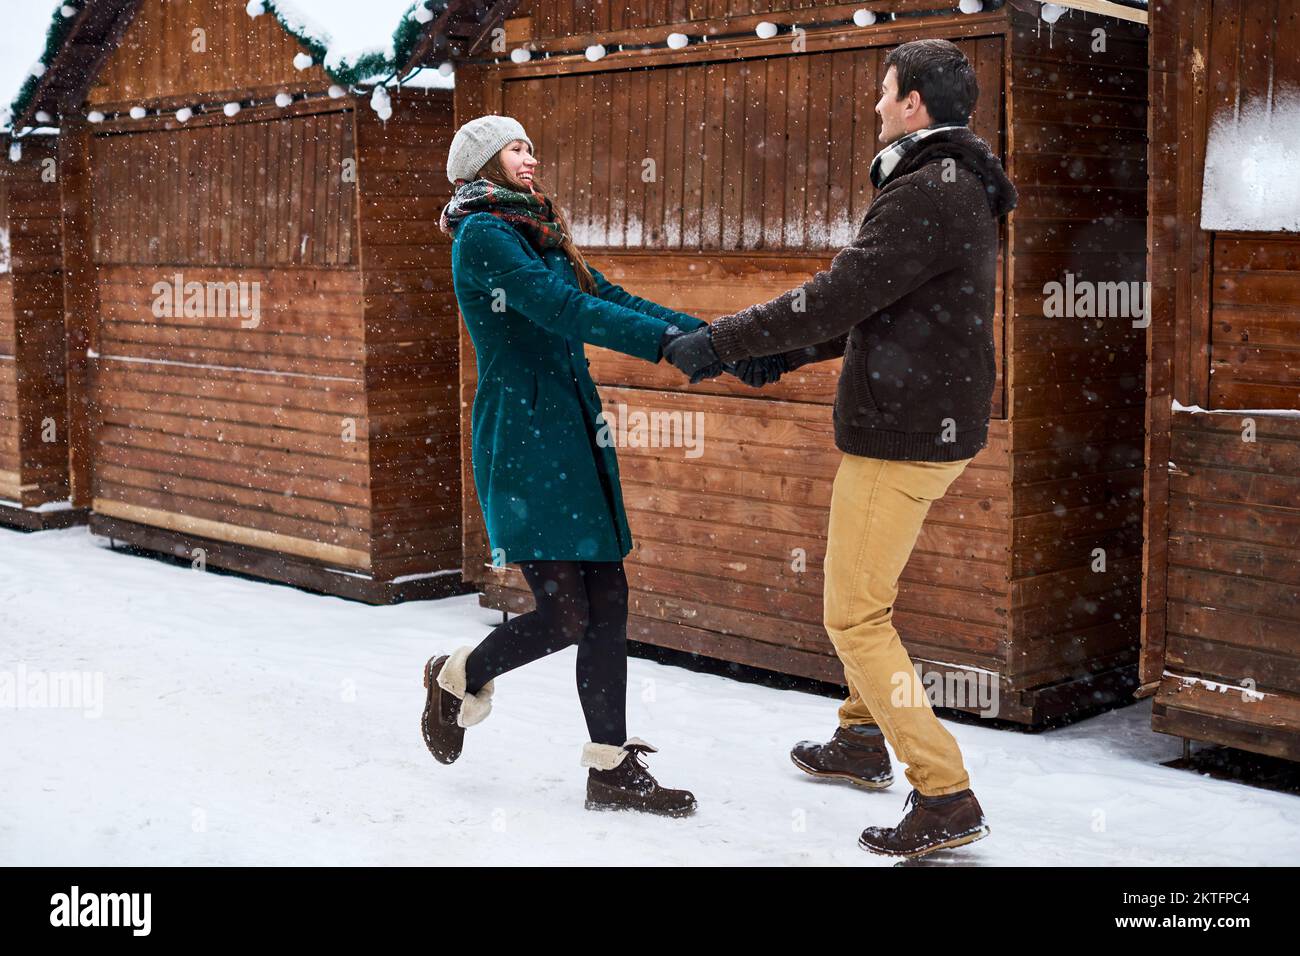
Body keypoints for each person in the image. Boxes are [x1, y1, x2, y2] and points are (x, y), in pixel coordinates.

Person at [661, 39, 1018, 858]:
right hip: (925, 421)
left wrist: (719, 342)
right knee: (870, 595)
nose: (875, 105)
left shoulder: (931, 189)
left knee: (853, 615)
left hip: (902, 433)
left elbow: (836, 295)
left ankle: (944, 791)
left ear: (915, 104)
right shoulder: (950, 184)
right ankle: (861, 740)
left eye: (884, 92)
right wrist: (776, 353)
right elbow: (874, 308)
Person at [420, 115, 763, 816]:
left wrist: (707, 335)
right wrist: (664, 346)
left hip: (575, 432)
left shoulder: (540, 232)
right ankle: (458, 677)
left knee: (608, 603)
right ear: (485, 164)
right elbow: (562, 308)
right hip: (524, 436)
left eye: (530, 145)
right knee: (565, 612)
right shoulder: (485, 236)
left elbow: (606, 296)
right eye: (516, 147)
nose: (530, 155)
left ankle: (610, 767)